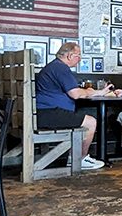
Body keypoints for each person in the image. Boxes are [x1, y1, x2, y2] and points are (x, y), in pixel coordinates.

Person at [35, 42, 115, 170]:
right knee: (90, 122)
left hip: (42, 113)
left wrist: (96, 92)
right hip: (48, 113)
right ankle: (80, 159)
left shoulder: (54, 66)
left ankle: (75, 158)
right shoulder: (61, 68)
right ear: (70, 56)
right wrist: (93, 92)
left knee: (85, 119)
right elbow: (76, 94)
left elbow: (76, 91)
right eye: (78, 55)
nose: (80, 59)